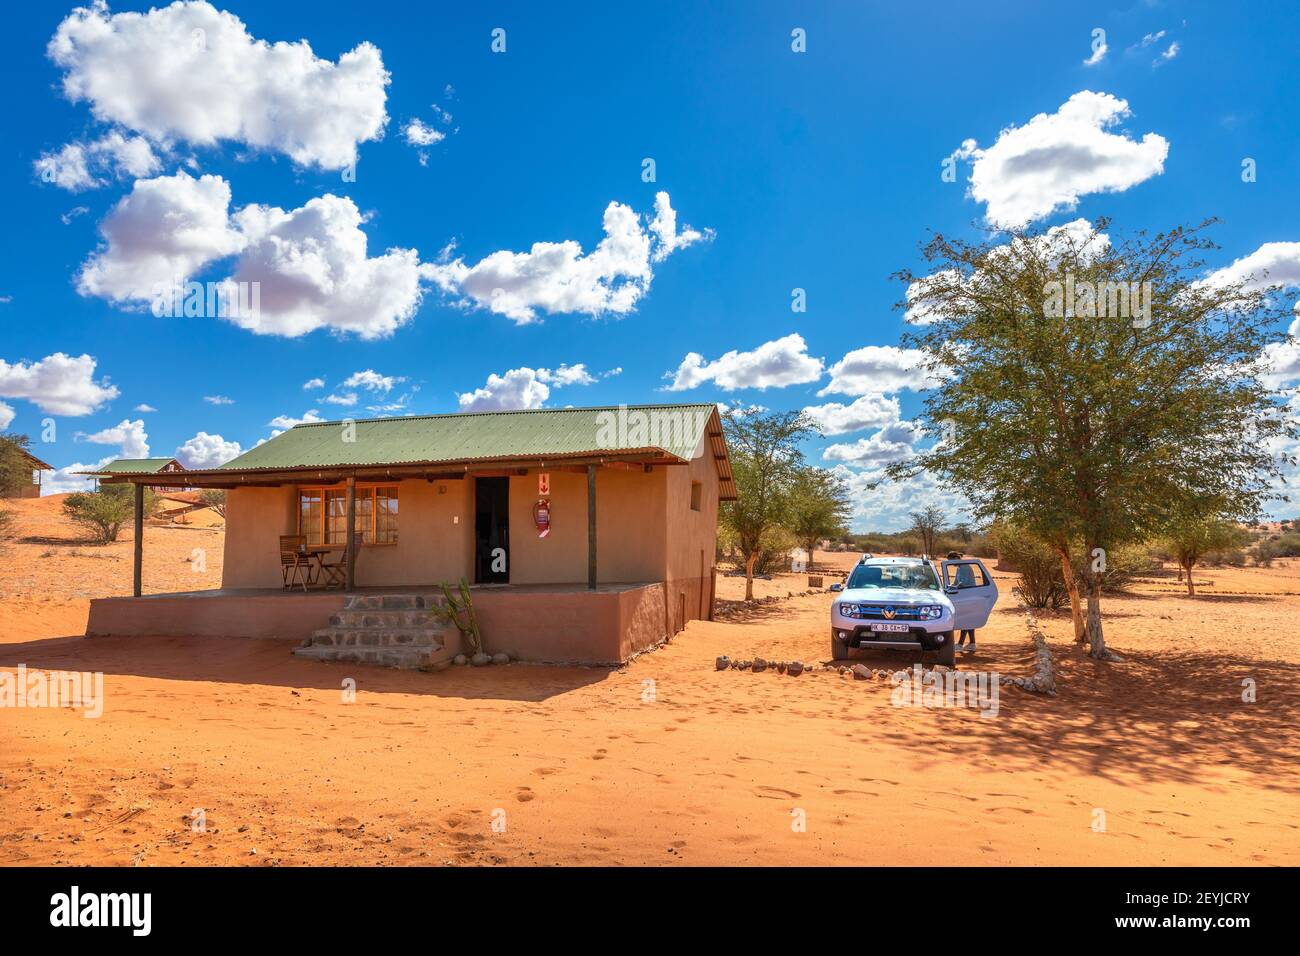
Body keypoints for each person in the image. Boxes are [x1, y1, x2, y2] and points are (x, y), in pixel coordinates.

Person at [946, 551, 977, 654]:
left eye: (951, 560)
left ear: (956, 558)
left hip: (968, 595)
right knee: (968, 620)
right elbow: (956, 582)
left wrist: (954, 587)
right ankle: (972, 643)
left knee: (965, 620)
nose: (951, 563)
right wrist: (949, 587)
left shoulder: (964, 567)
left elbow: (962, 583)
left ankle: (960, 644)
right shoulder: (960, 568)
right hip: (965, 595)